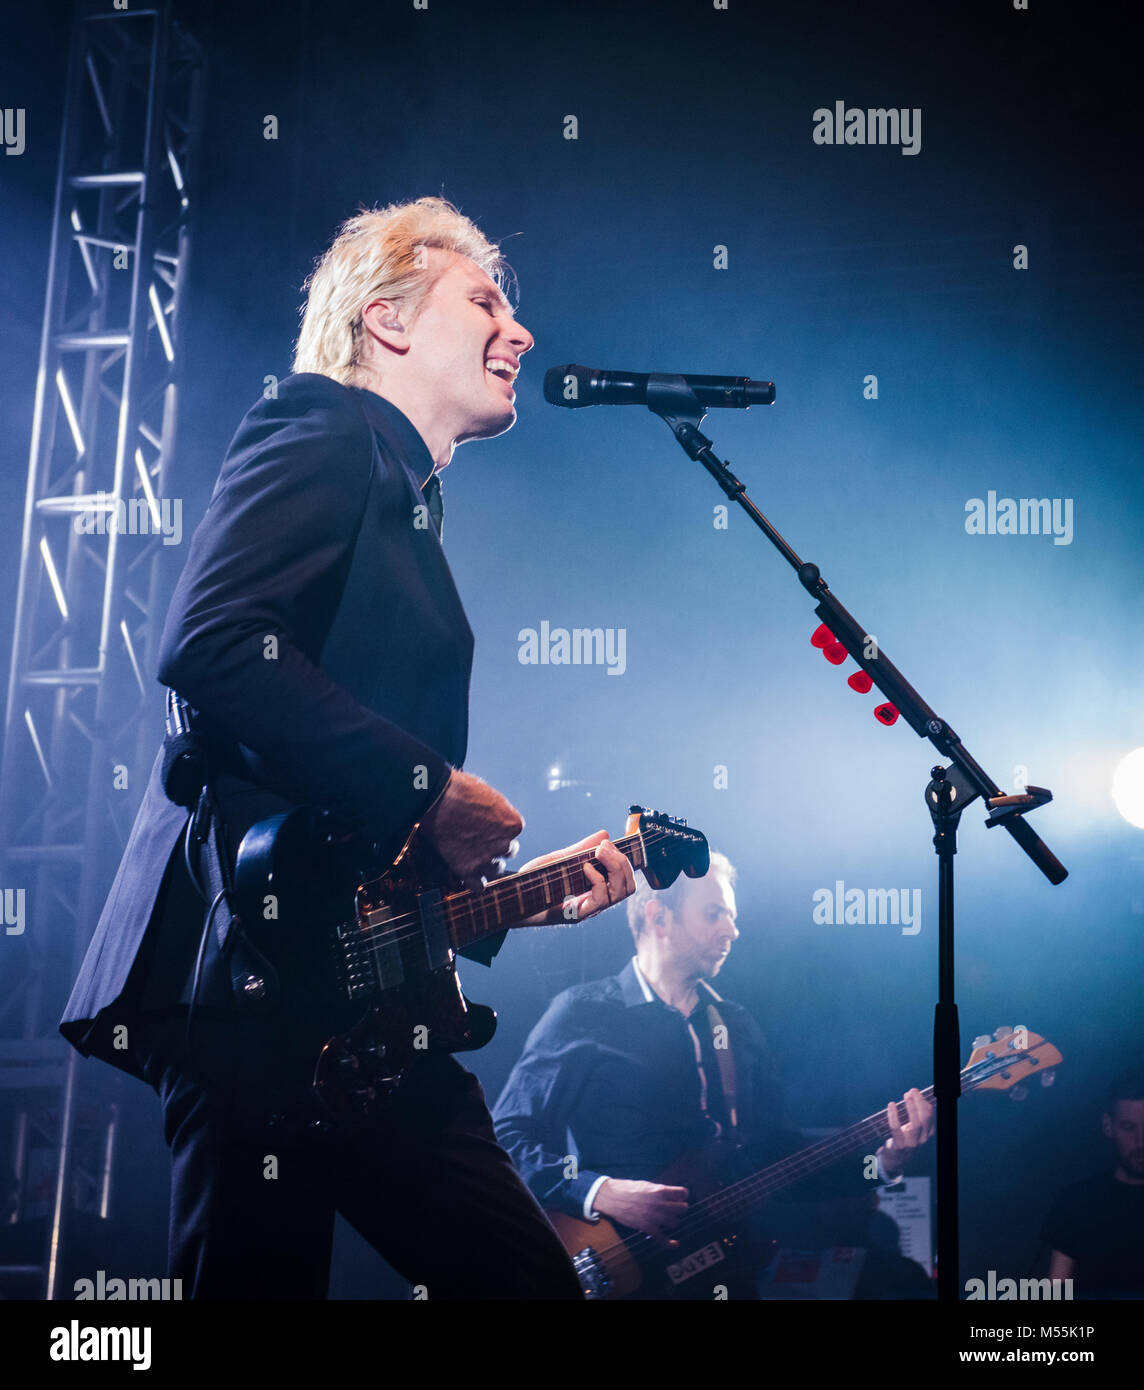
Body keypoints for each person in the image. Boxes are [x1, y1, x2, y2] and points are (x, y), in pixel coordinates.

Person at [59, 196, 635, 1299]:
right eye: (486, 303)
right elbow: (213, 644)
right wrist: (432, 791)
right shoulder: (323, 427)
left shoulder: (405, 496)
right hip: (258, 992)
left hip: (366, 1012)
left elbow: (336, 802)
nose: (519, 333)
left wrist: (503, 898)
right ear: (388, 321)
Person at [492, 852, 934, 1297]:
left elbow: (779, 1161)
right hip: (613, 1269)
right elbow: (507, 1138)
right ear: (659, 918)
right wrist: (598, 1192)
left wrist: (883, 1163)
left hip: (722, 1273)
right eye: (714, 914)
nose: (732, 930)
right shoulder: (583, 1012)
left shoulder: (735, 1025)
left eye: (732, 917)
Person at [1041, 1067, 1144, 1298]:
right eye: (1129, 1128)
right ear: (1108, 1126)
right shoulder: (1077, 1202)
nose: (1141, 1142)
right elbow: (1056, 1288)